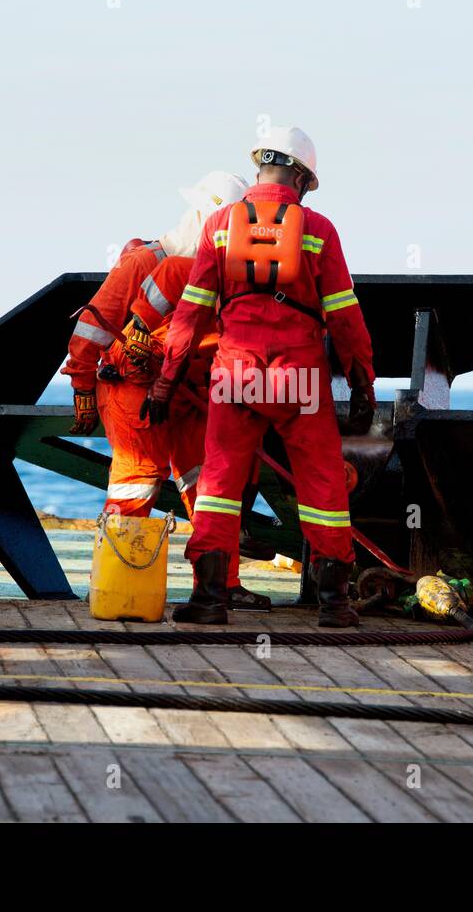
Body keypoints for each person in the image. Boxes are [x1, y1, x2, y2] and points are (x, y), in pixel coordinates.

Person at [146, 126, 377, 627]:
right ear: (302, 178)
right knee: (321, 485)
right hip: (300, 378)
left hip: (236, 375)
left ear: (260, 170)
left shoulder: (220, 226)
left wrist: (166, 381)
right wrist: (363, 382)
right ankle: (335, 603)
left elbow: (191, 312)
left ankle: (210, 598)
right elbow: (344, 314)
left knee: (219, 483)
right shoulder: (319, 230)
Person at [61, 171, 273, 610]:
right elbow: (91, 328)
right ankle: (119, 584)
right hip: (133, 391)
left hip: (190, 393)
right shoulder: (145, 263)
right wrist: (83, 387)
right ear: (201, 217)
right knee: (138, 481)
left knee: (212, 488)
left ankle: (220, 585)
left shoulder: (224, 277)